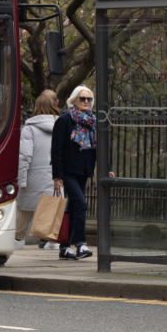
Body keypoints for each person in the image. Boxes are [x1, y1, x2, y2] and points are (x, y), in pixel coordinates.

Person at [51, 85, 98, 260]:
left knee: (72, 207)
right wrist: (57, 176)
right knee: (81, 204)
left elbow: (97, 148)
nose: (86, 102)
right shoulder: (65, 120)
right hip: (68, 171)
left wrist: (107, 168)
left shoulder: (92, 121)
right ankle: (80, 244)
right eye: (82, 98)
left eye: (89, 99)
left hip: (84, 170)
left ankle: (64, 248)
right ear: (74, 101)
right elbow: (56, 150)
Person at [16, 90, 60, 247]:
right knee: (52, 205)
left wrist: (21, 180)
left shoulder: (29, 128)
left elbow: (24, 156)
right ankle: (52, 241)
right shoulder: (62, 126)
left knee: (23, 208)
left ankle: (17, 239)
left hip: (32, 176)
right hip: (55, 175)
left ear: (36, 107)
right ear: (56, 105)